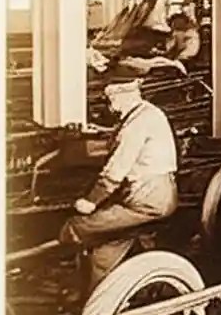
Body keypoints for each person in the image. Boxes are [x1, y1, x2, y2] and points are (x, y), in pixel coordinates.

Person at [60, 79, 179, 291]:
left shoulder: (137, 123)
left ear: (123, 96)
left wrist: (90, 201)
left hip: (148, 199)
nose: (109, 105)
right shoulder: (146, 113)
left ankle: (62, 266)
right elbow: (119, 143)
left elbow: (115, 172)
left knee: (78, 225)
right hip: (152, 193)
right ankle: (94, 301)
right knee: (104, 253)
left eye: (110, 100)